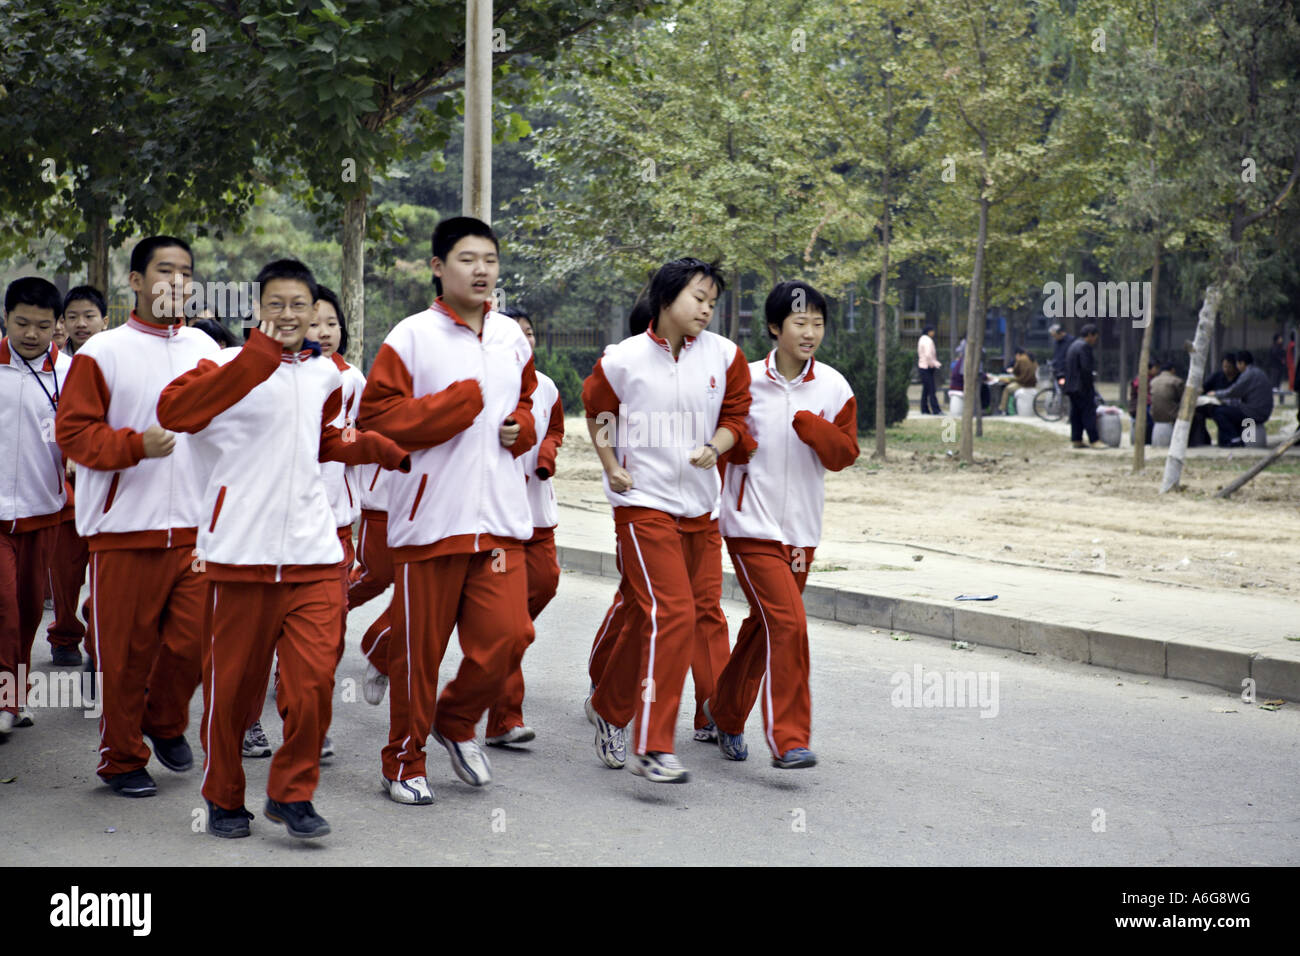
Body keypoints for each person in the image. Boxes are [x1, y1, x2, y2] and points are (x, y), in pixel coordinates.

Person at [156, 258, 408, 839]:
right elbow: (176, 413)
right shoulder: (219, 363)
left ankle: (292, 794)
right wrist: (256, 359)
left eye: (301, 306)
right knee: (234, 690)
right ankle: (223, 797)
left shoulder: (324, 376)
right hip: (239, 554)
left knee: (314, 682)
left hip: (314, 554)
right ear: (257, 307)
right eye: (278, 304)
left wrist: (379, 446)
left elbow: (319, 438)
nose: (290, 316)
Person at [359, 216, 538, 806]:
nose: (481, 269)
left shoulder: (512, 336)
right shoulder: (410, 337)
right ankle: (404, 761)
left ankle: (457, 721)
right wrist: (454, 408)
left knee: (510, 636)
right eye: (467, 258)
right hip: (430, 521)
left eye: (489, 258)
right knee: (419, 654)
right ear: (438, 267)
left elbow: (529, 400)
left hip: (499, 523)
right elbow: (377, 422)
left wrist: (524, 428)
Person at [55, 236, 219, 798]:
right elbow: (73, 434)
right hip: (123, 530)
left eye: (185, 272)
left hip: (196, 531)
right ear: (135, 281)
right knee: (124, 656)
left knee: (193, 644)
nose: (176, 282)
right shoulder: (103, 351)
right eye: (163, 271)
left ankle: (164, 721)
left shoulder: (205, 348)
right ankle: (121, 759)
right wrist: (135, 447)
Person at [581, 257, 750, 784]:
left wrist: (716, 446)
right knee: (671, 613)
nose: (706, 308)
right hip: (643, 505)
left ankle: (609, 709)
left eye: (712, 302)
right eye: (698, 298)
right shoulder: (623, 359)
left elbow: (737, 417)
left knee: (651, 616)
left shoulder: (725, 356)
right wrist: (612, 466)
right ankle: (653, 745)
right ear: (666, 297)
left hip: (701, 509)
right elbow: (597, 411)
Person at [707, 280, 858, 769]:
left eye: (818, 323)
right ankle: (789, 737)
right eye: (800, 322)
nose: (810, 332)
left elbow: (845, 456)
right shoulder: (744, 381)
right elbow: (718, 441)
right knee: (789, 623)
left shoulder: (834, 386)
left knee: (763, 626)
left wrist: (816, 428)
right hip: (750, 524)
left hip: (801, 533)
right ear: (775, 327)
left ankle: (723, 713)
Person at [484, 307, 564, 747]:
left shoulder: (547, 387)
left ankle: (494, 644)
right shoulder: (490, 383)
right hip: (500, 521)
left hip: (538, 515)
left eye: (529, 333)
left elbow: (555, 431)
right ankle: (504, 718)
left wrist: (546, 459)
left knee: (546, 585)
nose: (524, 340)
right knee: (512, 625)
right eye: (516, 333)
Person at [1, 277, 71, 737]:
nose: (30, 333)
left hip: (43, 509)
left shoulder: (71, 373)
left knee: (27, 610)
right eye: (21, 323)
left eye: (42, 325)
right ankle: (4, 702)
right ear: (5, 319)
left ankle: (15, 695)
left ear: (56, 327)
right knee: (2, 603)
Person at [45, 286, 108, 667]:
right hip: (66, 494)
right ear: (63, 324)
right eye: (73, 317)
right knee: (65, 577)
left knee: (105, 578)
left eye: (89, 316)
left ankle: (97, 637)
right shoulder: (52, 369)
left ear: (105, 319)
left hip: (108, 493)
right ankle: (65, 634)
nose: (81, 324)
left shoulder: (118, 365)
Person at [1206, 349, 1273, 446]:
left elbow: (1234, 391)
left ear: (1241, 363)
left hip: (1254, 412)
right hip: (1262, 410)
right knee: (1230, 411)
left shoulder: (1248, 374)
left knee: (1218, 412)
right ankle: (1232, 438)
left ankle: (1234, 438)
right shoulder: (1258, 372)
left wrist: (1216, 393)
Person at [1064, 323, 1101, 448]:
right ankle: (1094, 440)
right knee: (1088, 412)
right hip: (1082, 387)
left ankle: (1076, 439)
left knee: (1076, 414)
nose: (1095, 340)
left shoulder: (1073, 345)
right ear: (1090, 335)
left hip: (1071, 386)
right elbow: (1086, 369)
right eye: (1095, 336)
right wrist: (1089, 385)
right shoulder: (1085, 347)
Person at [1192, 352, 1238, 446]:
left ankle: (1230, 439)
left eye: (1228, 367)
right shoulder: (1217, 376)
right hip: (1213, 405)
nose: (1226, 369)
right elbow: (1204, 388)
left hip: (1232, 406)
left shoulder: (1240, 378)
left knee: (1220, 413)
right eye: (1224, 366)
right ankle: (1202, 441)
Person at [1126, 358, 1161, 443]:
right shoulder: (1140, 379)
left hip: (1148, 405)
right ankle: (1147, 441)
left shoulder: (1152, 379)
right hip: (1138, 406)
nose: (1157, 370)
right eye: (1155, 368)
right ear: (1149, 369)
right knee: (1150, 418)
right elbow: (1143, 396)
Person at [998, 347, 1038, 414]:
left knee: (1007, 389)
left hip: (1024, 383)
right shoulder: (1032, 359)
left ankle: (1003, 409)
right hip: (1033, 383)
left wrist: (1012, 371)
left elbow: (1016, 371)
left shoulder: (1021, 359)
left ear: (1017, 355)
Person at [916, 324, 942, 415]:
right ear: (929, 332)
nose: (933, 333)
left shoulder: (921, 339)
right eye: (932, 331)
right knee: (931, 389)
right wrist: (932, 364)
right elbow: (928, 355)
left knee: (926, 389)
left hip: (922, 366)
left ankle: (924, 409)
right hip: (927, 367)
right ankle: (936, 409)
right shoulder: (928, 341)